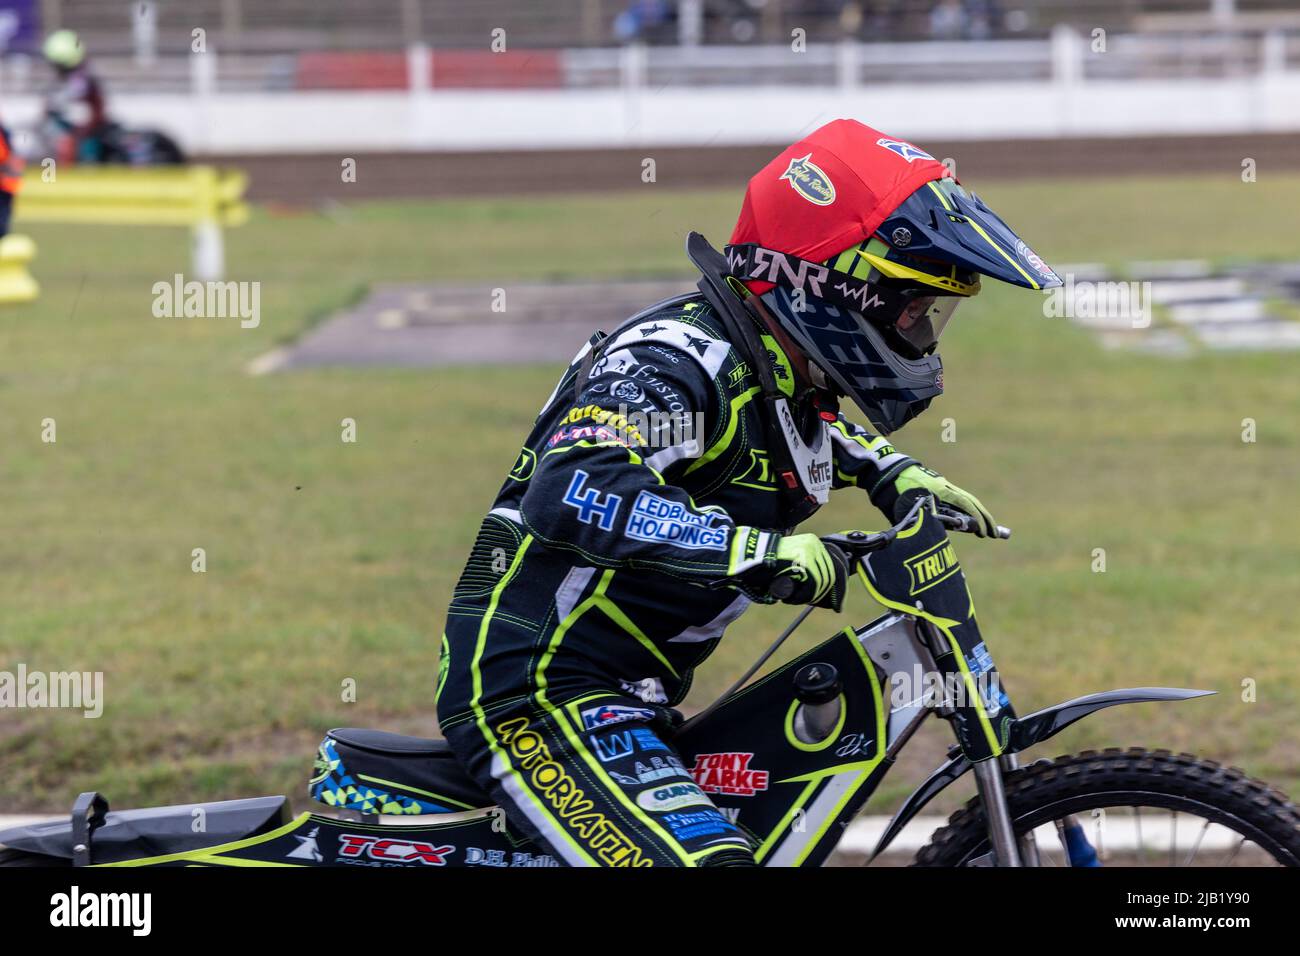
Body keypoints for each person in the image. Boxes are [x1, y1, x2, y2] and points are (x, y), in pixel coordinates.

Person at [437, 118, 1061, 867]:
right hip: (541, 694)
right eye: (908, 310)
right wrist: (757, 553)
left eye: (929, 316)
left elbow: (785, 424)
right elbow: (573, 486)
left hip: (632, 694)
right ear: (827, 286)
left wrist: (888, 470)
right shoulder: (671, 359)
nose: (921, 333)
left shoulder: (777, 368)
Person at [41, 29, 108, 165]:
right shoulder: (68, 81)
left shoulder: (82, 81)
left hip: (85, 135)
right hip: (73, 132)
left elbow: (92, 112)